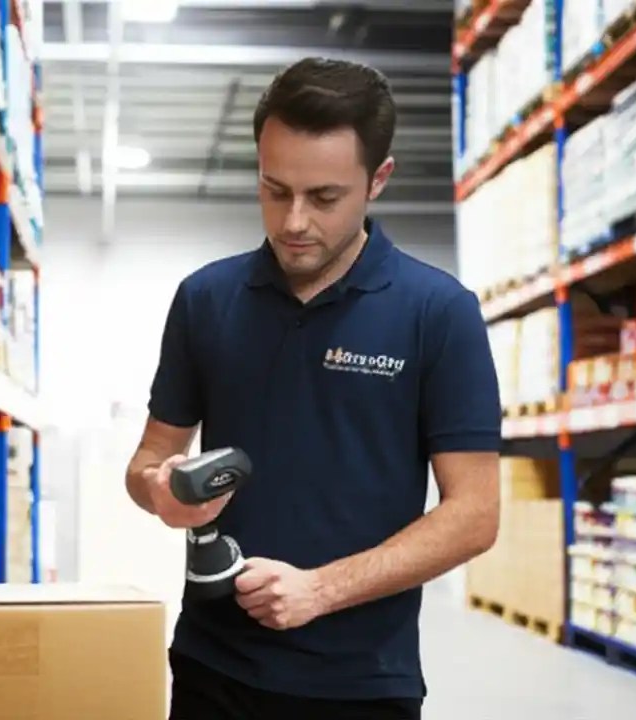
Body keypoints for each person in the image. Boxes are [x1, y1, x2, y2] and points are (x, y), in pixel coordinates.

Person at [125, 57, 502, 720]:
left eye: (324, 197)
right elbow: (148, 460)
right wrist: (162, 493)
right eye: (275, 190)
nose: (294, 220)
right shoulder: (206, 299)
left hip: (361, 685)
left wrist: (321, 590)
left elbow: (474, 514)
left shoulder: (436, 312)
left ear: (376, 181)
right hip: (213, 669)